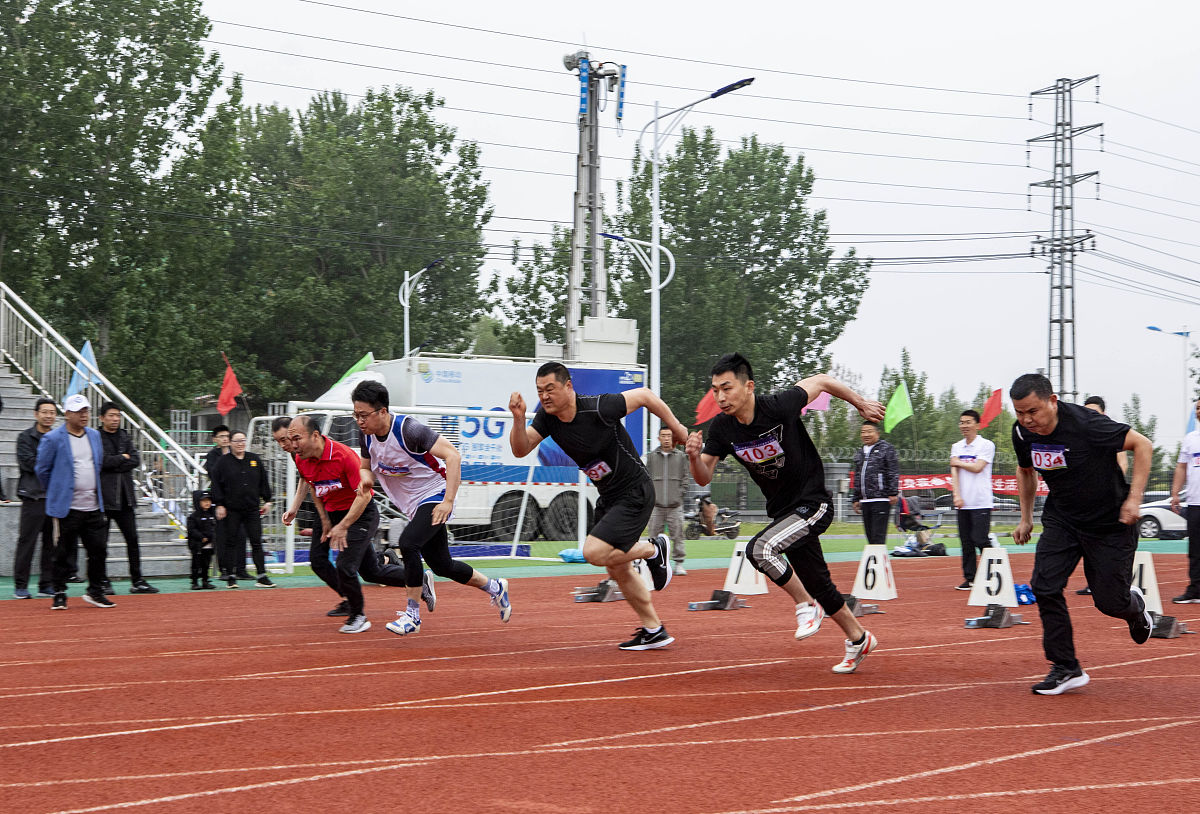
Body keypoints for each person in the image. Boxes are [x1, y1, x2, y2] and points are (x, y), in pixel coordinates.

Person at [687, 353, 885, 673]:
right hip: (783, 515)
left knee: (760, 549)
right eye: (715, 390)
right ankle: (858, 638)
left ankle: (805, 605)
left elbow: (822, 381)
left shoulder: (779, 406)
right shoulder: (722, 429)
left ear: (748, 386)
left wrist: (859, 403)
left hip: (813, 503)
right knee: (820, 583)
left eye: (727, 388)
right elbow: (703, 477)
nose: (720, 397)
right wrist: (694, 458)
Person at [509, 362, 686, 651]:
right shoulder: (547, 418)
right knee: (617, 568)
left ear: (568, 386)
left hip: (635, 491)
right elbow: (520, 449)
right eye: (540, 391)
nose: (544, 397)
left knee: (593, 552)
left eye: (550, 389)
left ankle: (654, 549)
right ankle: (654, 629)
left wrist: (677, 428)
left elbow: (645, 396)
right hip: (609, 497)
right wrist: (518, 419)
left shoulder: (600, 407)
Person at [1010, 373, 1155, 695]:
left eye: (1032, 411)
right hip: (1063, 519)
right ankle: (1066, 667)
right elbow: (1026, 471)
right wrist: (1025, 519)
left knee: (1109, 601)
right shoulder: (1022, 432)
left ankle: (1133, 607)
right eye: (1019, 412)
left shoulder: (1087, 424)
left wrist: (1134, 499)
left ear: (1052, 401)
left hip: (1109, 524)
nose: (1026, 419)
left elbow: (1142, 445)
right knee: (1044, 586)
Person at [352, 380, 508, 636]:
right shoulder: (366, 434)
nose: (359, 420)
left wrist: (447, 501)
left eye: (363, 415)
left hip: (435, 494)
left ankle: (412, 614)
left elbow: (453, 456)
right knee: (442, 565)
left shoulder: (409, 429)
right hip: (413, 504)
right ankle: (494, 587)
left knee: (409, 543)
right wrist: (366, 477)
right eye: (355, 415)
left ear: (382, 411)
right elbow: (365, 465)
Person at [289, 414, 422, 634]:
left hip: (360, 513)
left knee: (345, 565)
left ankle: (358, 615)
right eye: (289, 439)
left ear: (314, 435)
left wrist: (343, 526)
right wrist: (324, 521)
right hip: (332, 514)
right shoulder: (300, 459)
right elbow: (314, 487)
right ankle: (417, 580)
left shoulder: (344, 457)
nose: (292, 445)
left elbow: (365, 496)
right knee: (370, 572)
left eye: (296, 439)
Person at [37, 394, 113, 609]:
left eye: (86, 411)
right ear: (67, 414)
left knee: (98, 550)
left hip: (93, 505)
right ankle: (59, 592)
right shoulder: (53, 439)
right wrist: (57, 490)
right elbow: (42, 470)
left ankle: (95, 591)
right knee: (62, 552)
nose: (84, 415)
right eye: (79, 411)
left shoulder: (94, 436)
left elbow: (96, 464)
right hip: (67, 508)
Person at [98, 402, 158, 594]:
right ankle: (102, 581)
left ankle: (137, 580)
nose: (115, 419)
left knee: (132, 539)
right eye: (111, 415)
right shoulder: (96, 437)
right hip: (105, 498)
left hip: (126, 498)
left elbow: (135, 459)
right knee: (100, 543)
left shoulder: (124, 435)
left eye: (117, 415)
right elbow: (101, 462)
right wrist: (122, 459)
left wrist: (120, 460)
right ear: (102, 418)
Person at [1075, 396, 1128, 596]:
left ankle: (1118, 583)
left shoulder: (1110, 433)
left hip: (1109, 500)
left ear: (1103, 414)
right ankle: (1093, 583)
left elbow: (1122, 463)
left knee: (1109, 546)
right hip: (1087, 503)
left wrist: (1109, 484)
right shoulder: (1079, 438)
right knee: (1088, 544)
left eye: (1094, 412)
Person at [210, 430, 274, 588]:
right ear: (230, 443)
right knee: (231, 541)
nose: (240, 444)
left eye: (243, 440)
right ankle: (231, 576)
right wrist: (219, 504)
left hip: (252, 509)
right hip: (232, 509)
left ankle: (262, 576)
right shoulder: (223, 462)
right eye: (237, 441)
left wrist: (267, 500)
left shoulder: (254, 459)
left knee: (256, 541)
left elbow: (263, 481)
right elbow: (216, 484)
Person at [12, 398, 61, 599]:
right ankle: (21, 585)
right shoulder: (25, 438)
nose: (48, 416)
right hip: (32, 497)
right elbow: (29, 464)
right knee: (27, 542)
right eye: (45, 412)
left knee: (51, 544)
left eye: (52, 412)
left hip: (53, 497)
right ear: (36, 414)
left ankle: (46, 584)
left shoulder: (60, 438)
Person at [950, 409, 995, 590]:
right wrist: (956, 495)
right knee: (966, 542)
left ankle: (994, 568)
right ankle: (970, 578)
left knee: (979, 538)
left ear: (977, 424)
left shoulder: (986, 445)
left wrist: (959, 462)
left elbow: (977, 467)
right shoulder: (957, 446)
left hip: (981, 501)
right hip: (964, 502)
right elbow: (954, 471)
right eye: (962, 422)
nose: (964, 426)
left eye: (968, 422)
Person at [645, 426, 689, 574]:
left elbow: (686, 479)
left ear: (672, 438)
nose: (666, 438)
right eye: (663, 435)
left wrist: (679, 494)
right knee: (653, 536)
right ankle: (654, 564)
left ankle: (679, 563)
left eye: (669, 436)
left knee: (678, 535)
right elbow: (646, 478)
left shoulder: (681, 457)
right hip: (656, 506)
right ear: (658, 438)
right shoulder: (651, 457)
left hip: (675, 505)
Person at [1170, 397, 1200, 604]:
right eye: (1197, 407)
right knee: (1196, 550)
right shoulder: (1191, 438)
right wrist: (1175, 493)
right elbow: (1181, 467)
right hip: (1195, 503)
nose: (1199, 411)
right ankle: (1195, 589)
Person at [851, 421, 898, 548]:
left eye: (869, 431)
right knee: (870, 536)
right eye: (863, 432)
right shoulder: (860, 452)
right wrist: (856, 498)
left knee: (878, 537)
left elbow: (892, 471)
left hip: (881, 499)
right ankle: (874, 565)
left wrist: (893, 492)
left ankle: (879, 565)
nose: (866, 434)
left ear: (877, 433)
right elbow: (857, 475)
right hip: (865, 501)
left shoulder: (886, 448)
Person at [203, 425, 232, 579]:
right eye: (221, 436)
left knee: (238, 535)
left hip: (236, 500)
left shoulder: (235, 453)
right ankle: (224, 570)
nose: (225, 439)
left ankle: (239, 569)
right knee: (221, 536)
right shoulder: (212, 456)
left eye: (227, 435)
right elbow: (214, 475)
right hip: (220, 500)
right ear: (215, 439)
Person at [187, 490, 217, 590]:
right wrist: (201, 537)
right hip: (198, 545)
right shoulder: (193, 517)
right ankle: (194, 582)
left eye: (209, 500)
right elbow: (192, 530)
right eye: (204, 501)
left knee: (206, 563)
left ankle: (205, 580)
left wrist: (212, 538)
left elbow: (213, 528)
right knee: (196, 564)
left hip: (209, 545)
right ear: (197, 502)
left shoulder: (211, 515)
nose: (207, 503)